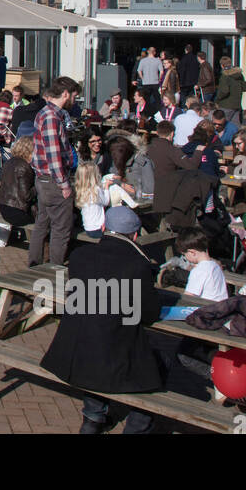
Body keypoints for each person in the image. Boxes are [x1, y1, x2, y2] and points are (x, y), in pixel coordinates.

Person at [41, 205, 162, 433]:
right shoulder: (138, 265)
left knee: (96, 345)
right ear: (135, 236)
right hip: (108, 351)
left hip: (75, 350)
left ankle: (93, 418)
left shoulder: (79, 256)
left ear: (104, 228)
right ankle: (136, 427)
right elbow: (150, 314)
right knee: (156, 364)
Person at [29, 79, 77, 267]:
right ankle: (54, 271)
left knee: (42, 223)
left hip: (43, 178)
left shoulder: (46, 113)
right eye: (74, 95)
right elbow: (54, 154)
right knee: (60, 230)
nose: (75, 99)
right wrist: (64, 184)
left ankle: (35, 266)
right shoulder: (51, 116)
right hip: (52, 179)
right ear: (65, 93)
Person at [176, 228, 228, 301]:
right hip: (221, 306)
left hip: (207, 309)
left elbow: (188, 298)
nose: (185, 257)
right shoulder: (215, 265)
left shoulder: (198, 271)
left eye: (184, 255)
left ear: (192, 253)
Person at [215, 59, 246, 124]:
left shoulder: (225, 76)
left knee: (223, 125)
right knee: (235, 126)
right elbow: (245, 88)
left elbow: (224, 91)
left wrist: (217, 100)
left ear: (222, 65)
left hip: (226, 105)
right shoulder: (239, 75)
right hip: (237, 104)